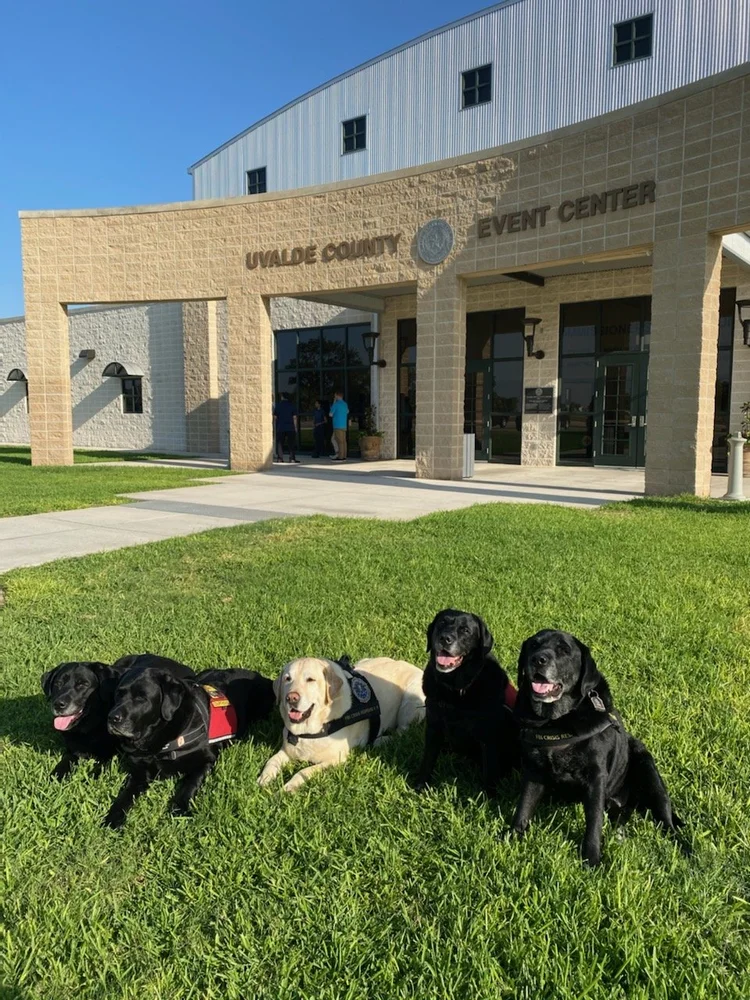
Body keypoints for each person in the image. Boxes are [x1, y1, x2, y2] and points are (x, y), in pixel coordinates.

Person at [273, 392, 299, 463]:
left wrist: (276, 427)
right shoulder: (292, 405)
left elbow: (275, 417)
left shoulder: (278, 406)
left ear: (282, 397)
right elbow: (294, 418)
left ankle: (280, 459)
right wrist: (295, 427)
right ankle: (292, 458)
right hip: (290, 427)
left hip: (280, 427)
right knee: (291, 444)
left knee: (280, 443)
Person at [330, 391, 349, 461]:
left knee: (340, 441)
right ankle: (342, 455)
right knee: (342, 441)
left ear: (337, 396)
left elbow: (330, 414)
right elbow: (347, 411)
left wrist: (334, 402)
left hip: (337, 425)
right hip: (343, 425)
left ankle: (341, 457)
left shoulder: (336, 404)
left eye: (335, 396)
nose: (334, 397)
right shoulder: (345, 404)